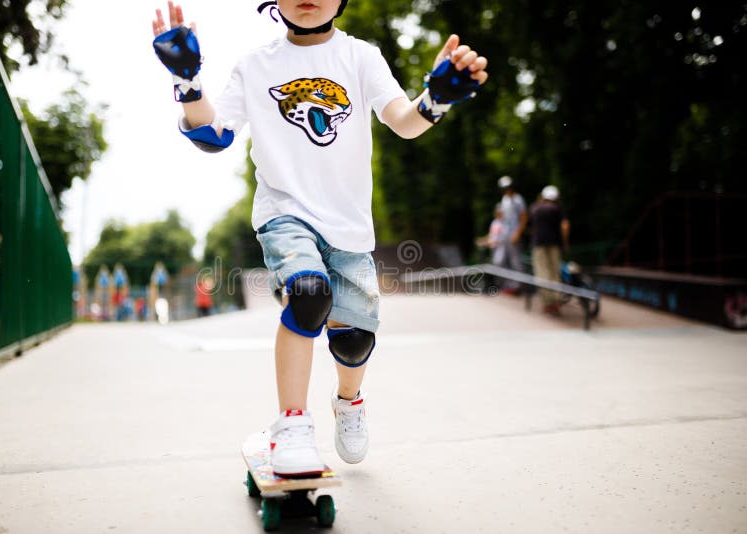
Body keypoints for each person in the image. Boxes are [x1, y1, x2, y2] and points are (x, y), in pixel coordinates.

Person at [151, 0, 488, 476]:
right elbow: (214, 136)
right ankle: (291, 424)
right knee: (308, 295)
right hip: (284, 215)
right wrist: (187, 80)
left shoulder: (361, 57)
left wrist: (437, 99)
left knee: (353, 341)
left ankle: (348, 402)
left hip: (349, 225)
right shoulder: (255, 66)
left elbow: (403, 122)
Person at [529, 185, 570, 315]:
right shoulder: (557, 208)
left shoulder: (535, 208)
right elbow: (564, 226)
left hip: (538, 244)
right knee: (555, 272)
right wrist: (565, 242)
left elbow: (529, 226)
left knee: (542, 272)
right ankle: (556, 300)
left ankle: (547, 302)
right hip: (554, 244)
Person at [496, 176, 527, 294]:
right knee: (502, 261)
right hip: (505, 235)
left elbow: (524, 217)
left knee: (516, 261)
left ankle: (518, 287)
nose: (506, 190)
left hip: (514, 234)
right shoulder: (504, 199)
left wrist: (518, 233)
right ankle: (509, 285)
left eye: (508, 187)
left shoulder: (518, 199)